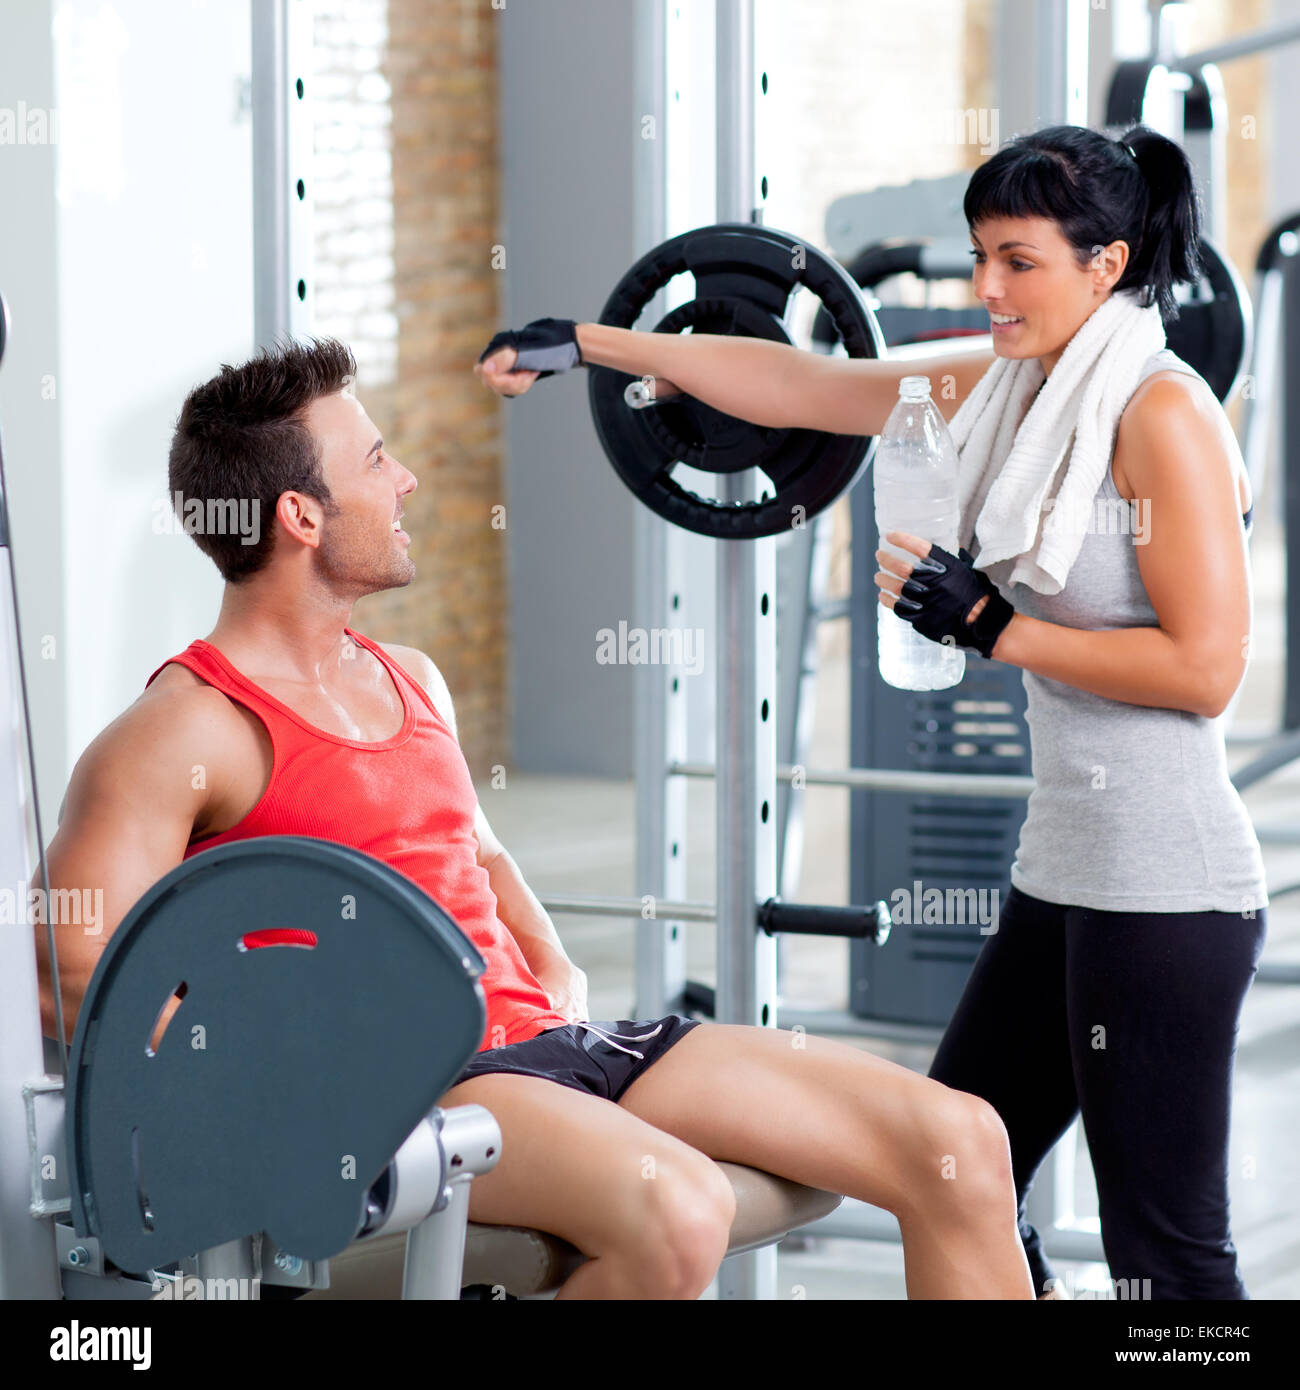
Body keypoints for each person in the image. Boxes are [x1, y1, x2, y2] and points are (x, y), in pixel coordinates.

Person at [36, 337, 1034, 1302]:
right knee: (679, 1208)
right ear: (300, 514)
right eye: (379, 460)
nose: (409, 479)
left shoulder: (409, 679)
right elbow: (74, 979)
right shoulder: (183, 731)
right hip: (418, 1084)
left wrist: (551, 962)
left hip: (557, 1044)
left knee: (958, 1141)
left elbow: (479, 853)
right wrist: (300, 1097)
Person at [479, 122, 1267, 1301]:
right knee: (950, 1158)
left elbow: (1208, 670)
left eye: (1016, 262)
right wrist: (589, 345)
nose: (986, 288)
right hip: (1064, 873)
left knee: (1167, 1257)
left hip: (1165, 889)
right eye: (978, 259)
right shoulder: (1013, 384)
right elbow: (812, 385)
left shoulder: (1157, 412)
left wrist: (992, 627)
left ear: (1103, 266)